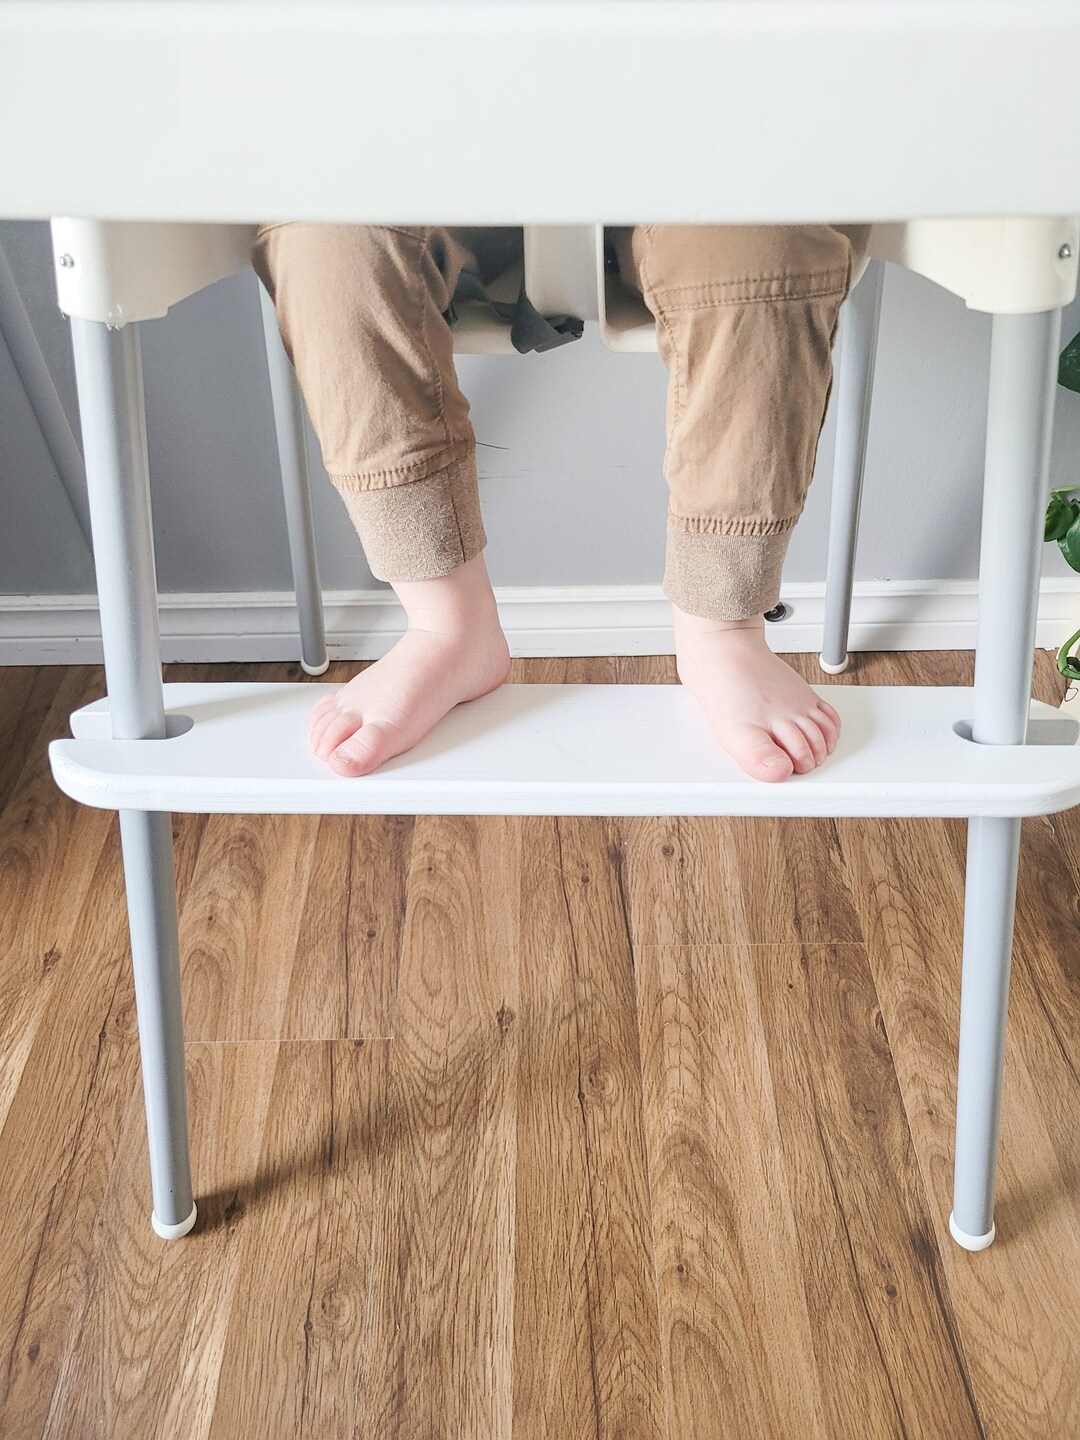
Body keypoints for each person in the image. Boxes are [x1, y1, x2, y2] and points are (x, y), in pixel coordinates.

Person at [252, 221, 871, 783]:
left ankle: (723, 628)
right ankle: (446, 623)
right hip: (441, 152)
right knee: (327, 245)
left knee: (758, 248)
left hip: (694, 151)